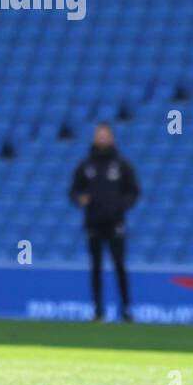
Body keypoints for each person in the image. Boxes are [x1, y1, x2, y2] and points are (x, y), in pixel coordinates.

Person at [69, 122, 139, 322]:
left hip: (116, 222)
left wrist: (121, 205)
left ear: (112, 138)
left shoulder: (122, 165)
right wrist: (79, 198)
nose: (101, 138)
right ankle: (98, 310)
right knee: (96, 267)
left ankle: (126, 309)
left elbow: (133, 191)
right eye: (98, 135)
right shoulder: (86, 166)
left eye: (105, 135)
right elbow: (74, 191)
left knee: (119, 266)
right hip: (94, 223)